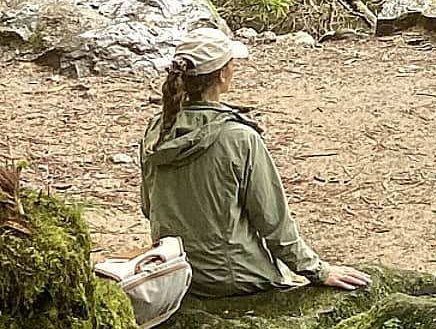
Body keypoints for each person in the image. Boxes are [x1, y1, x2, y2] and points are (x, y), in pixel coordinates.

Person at [139, 28, 371, 298]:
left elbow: (149, 207)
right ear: (224, 74)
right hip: (236, 278)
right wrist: (318, 270)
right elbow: (273, 224)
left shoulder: (156, 131)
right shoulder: (239, 138)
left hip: (179, 273)